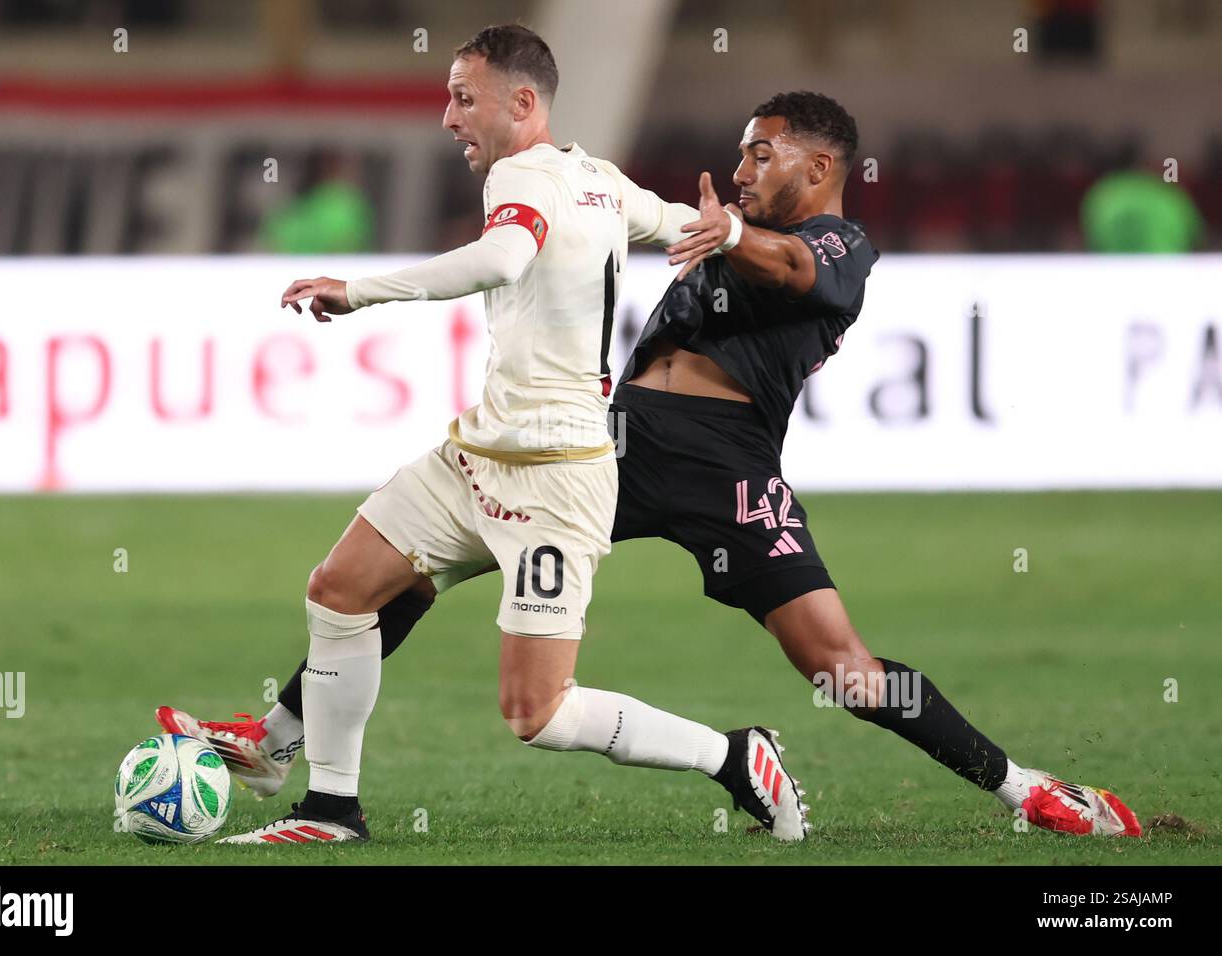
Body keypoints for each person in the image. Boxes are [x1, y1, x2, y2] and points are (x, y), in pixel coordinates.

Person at [166, 89, 1141, 841]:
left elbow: (801, 271)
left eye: (763, 151)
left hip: (730, 472)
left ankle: (1025, 786)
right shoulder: (716, 227)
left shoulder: (837, 243)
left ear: (821, 161)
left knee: (838, 666)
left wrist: (733, 232)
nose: (744, 165)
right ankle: (286, 738)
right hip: (614, 444)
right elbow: (633, 218)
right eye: (741, 150)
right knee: (411, 566)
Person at [196, 24, 809, 846]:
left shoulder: (523, 176)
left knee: (538, 712)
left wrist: (360, 289)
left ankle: (734, 757)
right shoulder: (596, 178)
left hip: (557, 479)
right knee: (341, 589)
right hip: (480, 454)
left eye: (462, 98)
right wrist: (723, 227)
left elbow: (501, 258)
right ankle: (326, 805)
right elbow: (670, 222)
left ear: (522, 103)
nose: (449, 119)